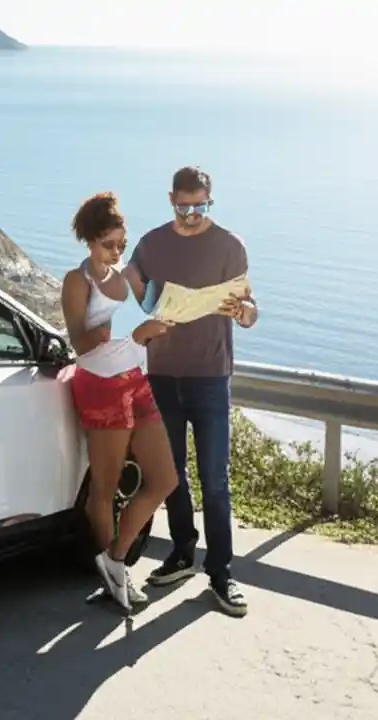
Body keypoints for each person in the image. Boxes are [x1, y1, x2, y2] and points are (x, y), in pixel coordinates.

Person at [123, 166, 258, 617]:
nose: (192, 213)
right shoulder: (151, 243)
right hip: (162, 375)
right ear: (171, 200)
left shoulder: (230, 245)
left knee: (215, 480)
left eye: (200, 205)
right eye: (184, 206)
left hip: (211, 377)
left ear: (210, 201)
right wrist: (146, 305)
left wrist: (244, 312)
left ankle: (221, 573)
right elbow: (129, 282)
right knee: (171, 473)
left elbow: (252, 308)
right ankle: (181, 553)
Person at [60, 191, 179, 612]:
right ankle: (115, 571)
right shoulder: (78, 281)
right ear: (90, 240)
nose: (115, 251)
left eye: (121, 244)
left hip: (131, 376)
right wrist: (138, 337)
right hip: (100, 383)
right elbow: (82, 343)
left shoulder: (119, 273)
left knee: (165, 479)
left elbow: (152, 299)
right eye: (108, 244)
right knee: (104, 490)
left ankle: (114, 560)